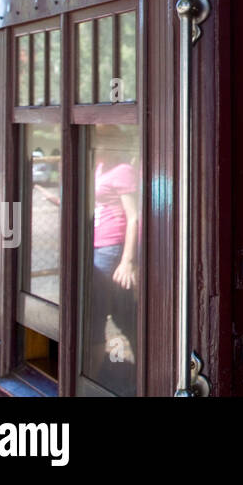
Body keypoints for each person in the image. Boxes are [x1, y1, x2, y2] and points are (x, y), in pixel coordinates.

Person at [91, 155, 138, 393]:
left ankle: (92, 381)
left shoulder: (122, 170)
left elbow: (134, 217)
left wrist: (127, 261)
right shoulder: (99, 164)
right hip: (96, 245)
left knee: (96, 312)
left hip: (111, 249)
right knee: (122, 312)